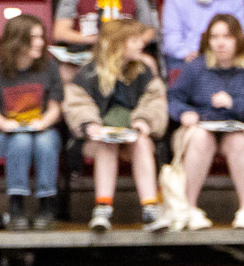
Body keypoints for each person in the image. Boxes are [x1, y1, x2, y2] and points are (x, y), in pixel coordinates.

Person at [64, 19, 169, 233]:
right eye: (134, 40)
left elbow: (155, 101)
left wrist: (143, 121)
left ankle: (150, 209)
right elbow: (77, 104)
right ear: (117, 43)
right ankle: (103, 208)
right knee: (106, 144)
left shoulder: (144, 71)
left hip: (132, 137)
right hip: (94, 139)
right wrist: (90, 125)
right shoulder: (88, 74)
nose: (141, 44)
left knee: (141, 142)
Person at [170, 11, 244, 231]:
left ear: (238, 39)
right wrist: (184, 113)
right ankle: (189, 208)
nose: (220, 43)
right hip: (200, 126)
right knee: (199, 138)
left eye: (227, 37)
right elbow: (173, 97)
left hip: (236, 126)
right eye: (215, 37)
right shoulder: (196, 65)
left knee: (240, 142)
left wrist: (234, 103)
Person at [0, 12, 65, 228]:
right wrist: (6, 124)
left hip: (43, 131)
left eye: (41, 37)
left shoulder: (50, 67)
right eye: (34, 37)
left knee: (45, 141)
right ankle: (16, 204)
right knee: (21, 140)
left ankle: (47, 203)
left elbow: (55, 107)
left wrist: (44, 122)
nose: (40, 42)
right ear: (17, 41)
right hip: (5, 136)